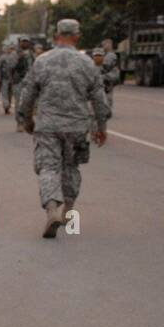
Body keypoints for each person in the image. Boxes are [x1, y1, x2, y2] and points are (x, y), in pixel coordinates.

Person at [17, 19, 109, 238]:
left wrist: (26, 120)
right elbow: (99, 99)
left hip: (48, 125)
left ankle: (52, 211)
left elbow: (27, 94)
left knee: (48, 167)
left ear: (56, 35)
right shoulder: (87, 63)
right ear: (77, 36)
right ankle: (68, 209)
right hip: (77, 126)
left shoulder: (42, 61)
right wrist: (101, 127)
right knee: (71, 167)